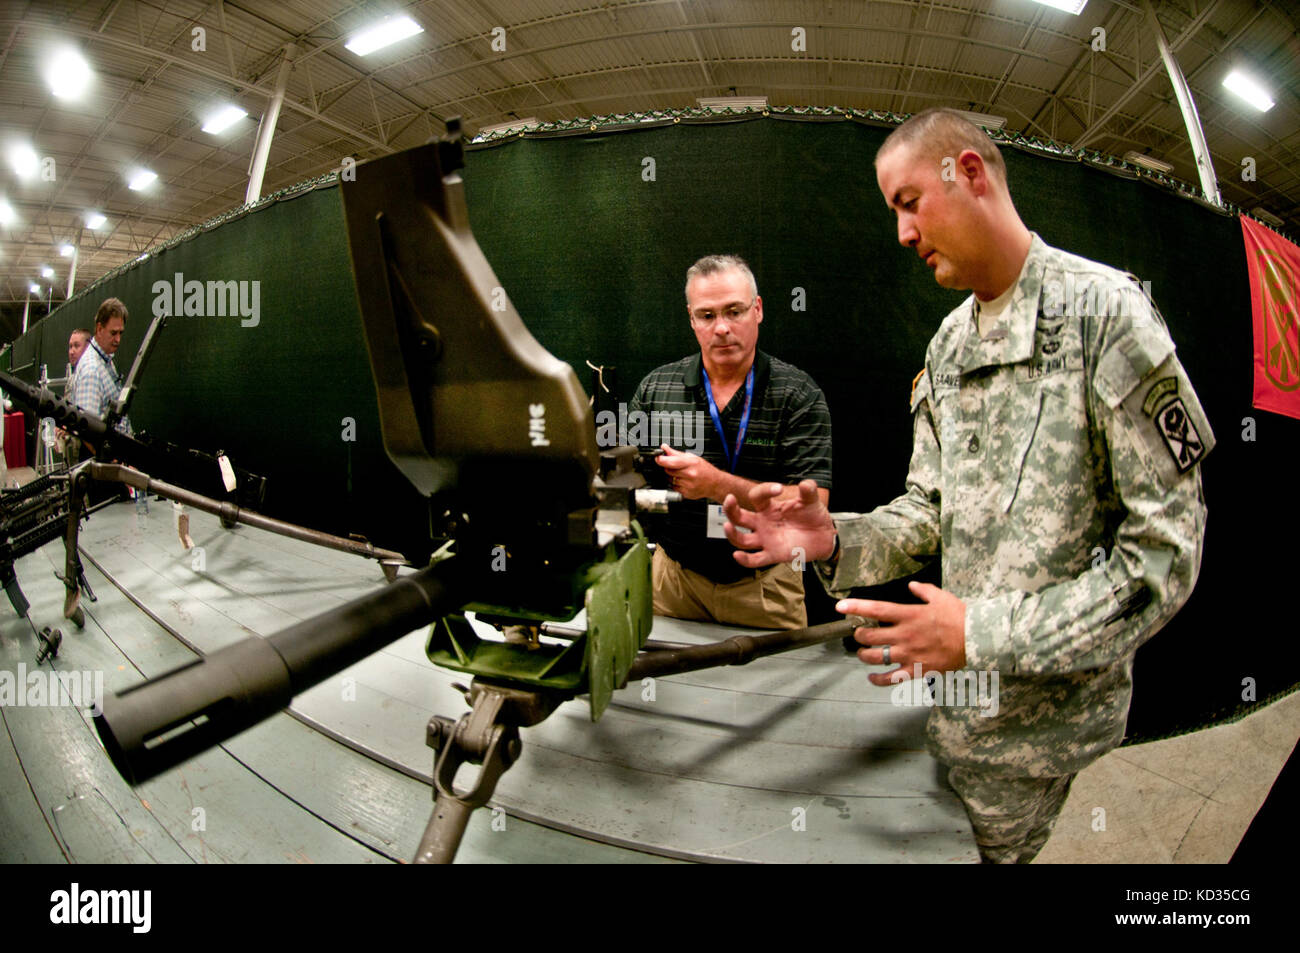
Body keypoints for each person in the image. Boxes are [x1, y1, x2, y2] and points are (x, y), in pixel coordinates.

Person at [722, 108, 1213, 862]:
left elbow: (1163, 561)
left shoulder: (1104, 314)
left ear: (970, 173)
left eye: (909, 203)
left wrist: (979, 634)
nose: (903, 235)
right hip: (955, 710)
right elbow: (930, 511)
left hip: (1045, 732)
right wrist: (836, 536)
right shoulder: (948, 346)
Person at [629, 254, 832, 629]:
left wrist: (716, 485)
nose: (721, 328)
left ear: (757, 310)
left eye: (734, 311)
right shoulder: (656, 389)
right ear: (692, 319)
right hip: (673, 582)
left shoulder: (797, 394)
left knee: (769, 687)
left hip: (765, 587)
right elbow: (628, 483)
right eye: (707, 316)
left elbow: (812, 506)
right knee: (669, 682)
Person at [70, 298, 133, 450]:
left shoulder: (105, 360)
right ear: (99, 329)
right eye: (113, 333)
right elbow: (88, 433)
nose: (118, 339)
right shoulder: (92, 370)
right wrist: (118, 466)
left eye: (120, 333)